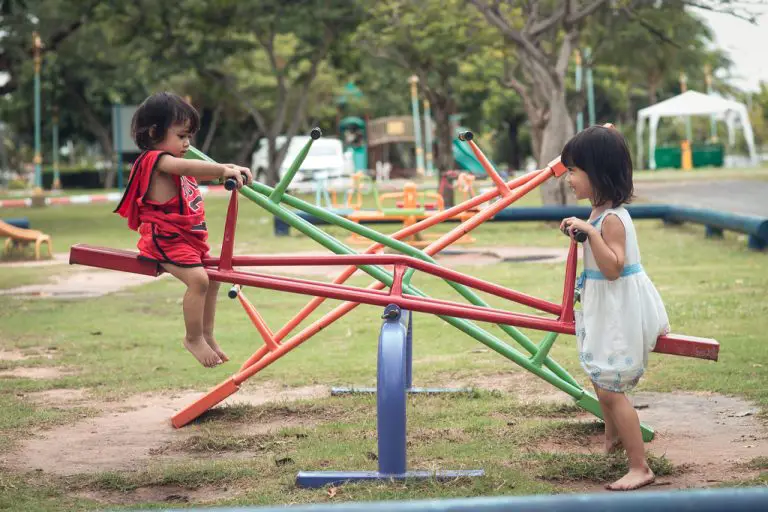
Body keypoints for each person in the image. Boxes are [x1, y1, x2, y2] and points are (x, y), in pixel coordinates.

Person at [559, 125, 669, 491]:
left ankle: (640, 466)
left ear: (598, 173)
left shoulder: (610, 220)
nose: (569, 178)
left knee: (610, 388)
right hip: (605, 307)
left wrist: (590, 234)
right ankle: (613, 438)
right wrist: (580, 229)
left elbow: (613, 267)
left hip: (619, 311)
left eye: (574, 170)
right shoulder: (598, 210)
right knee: (600, 376)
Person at [115, 92, 252, 368]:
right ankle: (193, 338)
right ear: (154, 132)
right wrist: (223, 170)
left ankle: (207, 334)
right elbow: (185, 166)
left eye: (189, 136)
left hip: (186, 240)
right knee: (199, 281)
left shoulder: (175, 163)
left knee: (212, 278)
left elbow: (199, 171)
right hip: (163, 239)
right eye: (181, 136)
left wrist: (228, 168)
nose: (187, 143)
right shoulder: (156, 160)